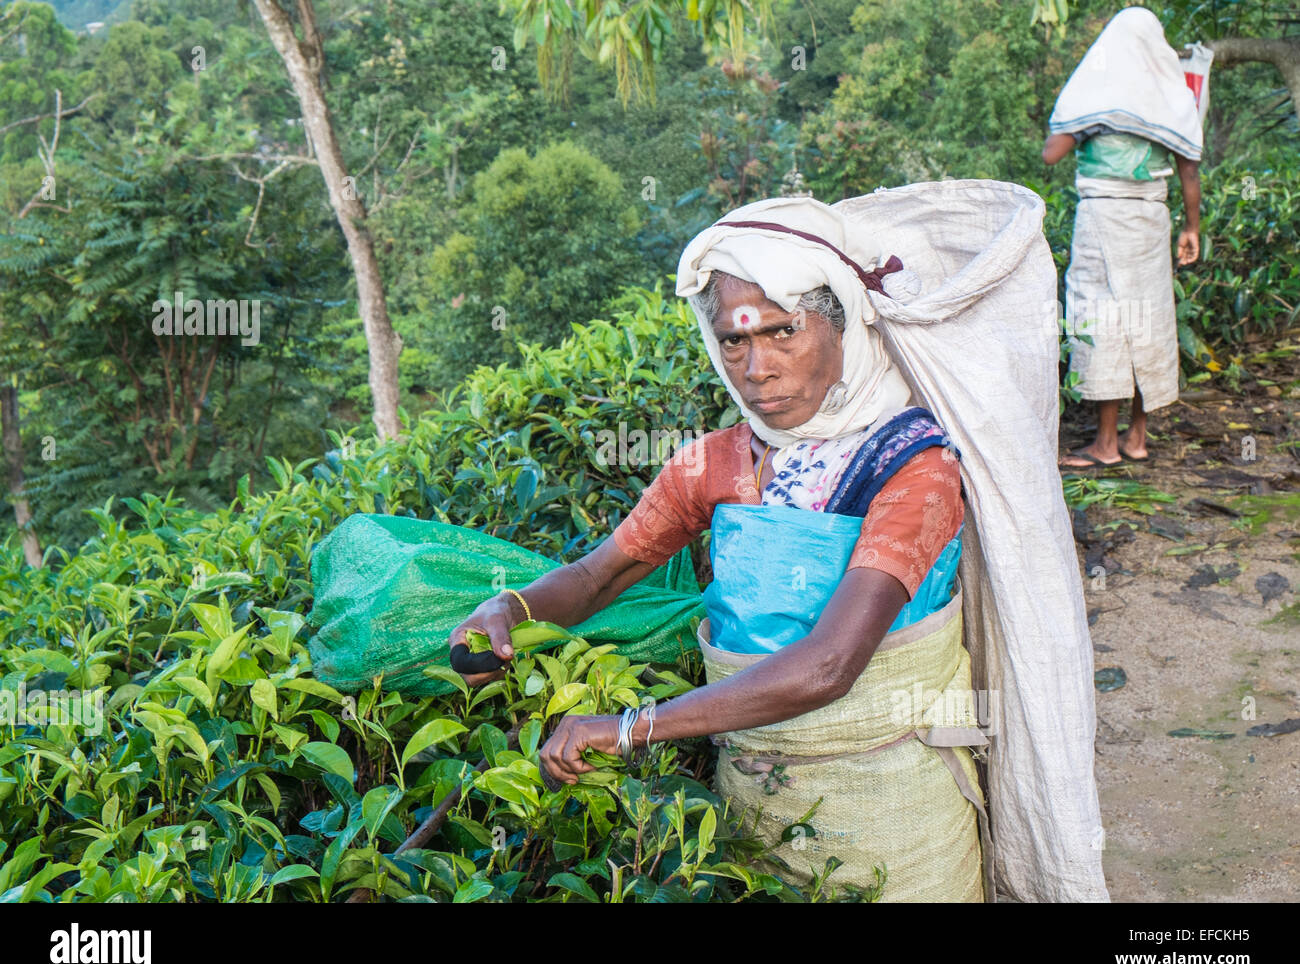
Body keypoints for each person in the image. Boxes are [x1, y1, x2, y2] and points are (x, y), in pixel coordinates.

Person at [448, 208, 986, 901]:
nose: (759, 369)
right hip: (750, 811)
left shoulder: (913, 465)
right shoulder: (716, 464)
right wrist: (507, 607)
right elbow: (595, 576)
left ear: (842, 322)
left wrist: (633, 726)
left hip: (894, 805)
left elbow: (829, 664)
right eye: (735, 343)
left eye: (783, 331)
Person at [1048, 6, 1203, 470]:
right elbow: (1189, 167)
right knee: (1150, 318)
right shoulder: (1172, 97)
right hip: (1152, 221)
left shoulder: (1095, 96)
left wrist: (1081, 117)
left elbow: (1052, 153)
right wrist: (1192, 227)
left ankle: (1104, 444)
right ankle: (1137, 437)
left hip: (1103, 217)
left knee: (1104, 320)